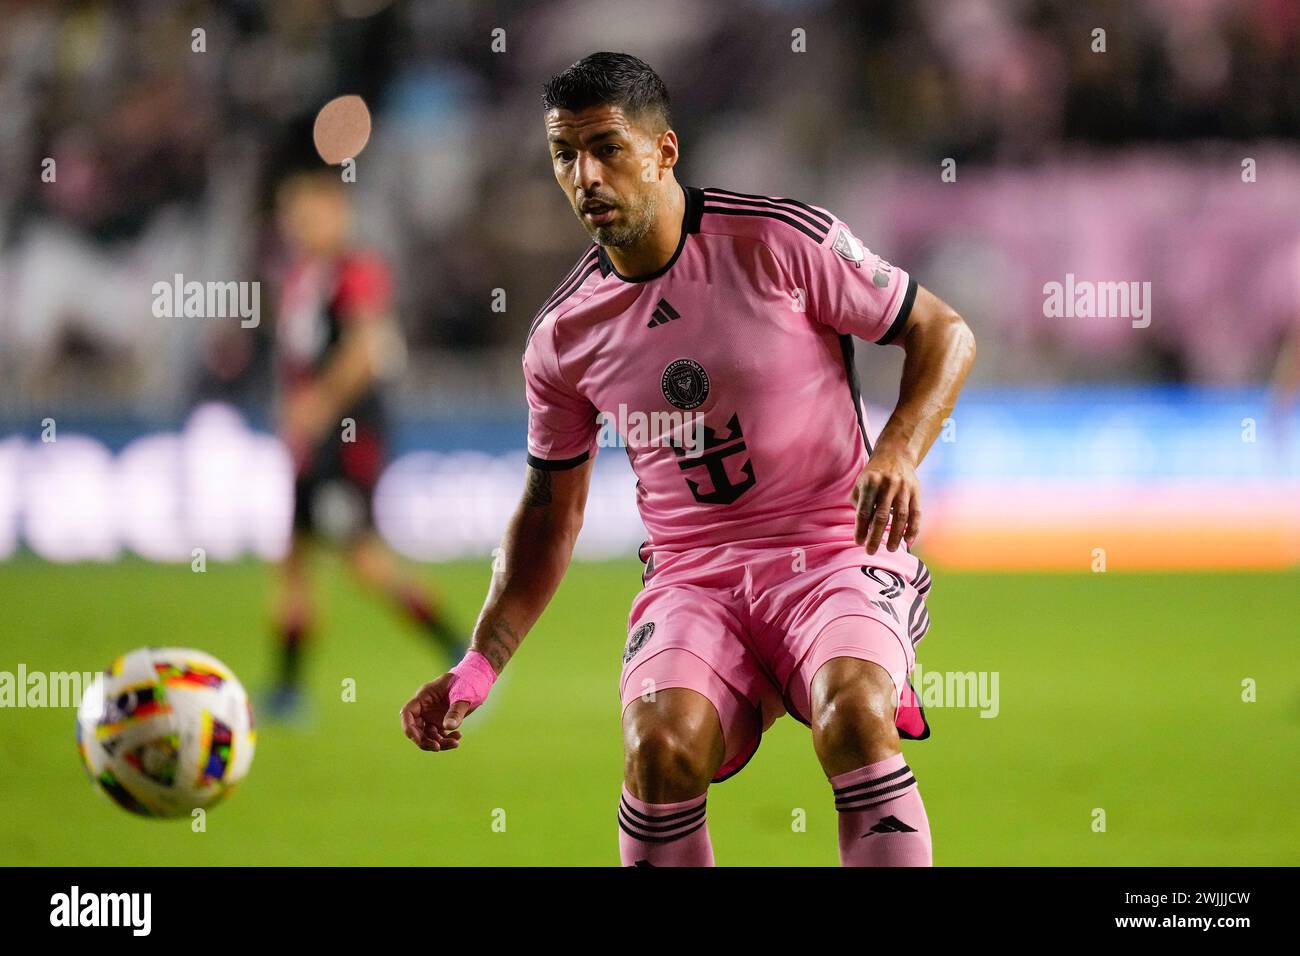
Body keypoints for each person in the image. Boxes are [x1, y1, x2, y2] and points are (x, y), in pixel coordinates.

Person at [400, 53, 975, 866]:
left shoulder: (776, 239)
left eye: (607, 148)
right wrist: (478, 667)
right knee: (659, 749)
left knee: (853, 711)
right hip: (693, 577)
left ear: (663, 151)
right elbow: (549, 514)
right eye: (565, 155)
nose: (585, 177)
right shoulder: (563, 337)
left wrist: (899, 453)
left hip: (834, 549)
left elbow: (943, 331)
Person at [266, 170, 464, 719]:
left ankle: (462, 652)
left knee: (361, 557)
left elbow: (364, 349)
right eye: (292, 217)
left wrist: (318, 405)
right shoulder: (302, 277)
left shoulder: (356, 271)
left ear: (338, 213)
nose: (299, 226)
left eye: (309, 215)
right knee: (294, 556)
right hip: (311, 440)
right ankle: (288, 689)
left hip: (347, 435)